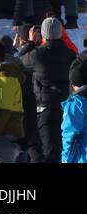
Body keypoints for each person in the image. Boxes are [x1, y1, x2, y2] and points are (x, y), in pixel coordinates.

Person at [20, 17, 75, 162]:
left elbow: (19, 62)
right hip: (66, 107)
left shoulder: (38, 54)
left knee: (48, 151)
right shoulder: (71, 55)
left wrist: (31, 42)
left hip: (45, 107)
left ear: (43, 33)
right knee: (61, 148)